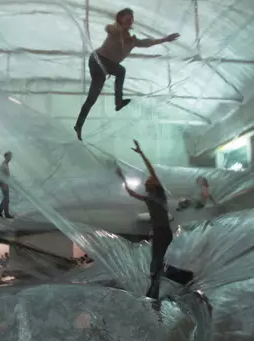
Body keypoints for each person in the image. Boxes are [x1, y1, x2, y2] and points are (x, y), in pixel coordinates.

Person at [74, 8, 180, 140]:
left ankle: (78, 125)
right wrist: (120, 31)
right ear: (120, 19)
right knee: (121, 70)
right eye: (127, 19)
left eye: (131, 19)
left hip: (105, 68)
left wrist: (165, 39)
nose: (130, 21)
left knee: (92, 98)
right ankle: (118, 101)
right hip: (98, 60)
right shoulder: (116, 30)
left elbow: (147, 43)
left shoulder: (132, 40)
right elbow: (109, 28)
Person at [116, 140, 174, 299]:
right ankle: (155, 290)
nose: (147, 181)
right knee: (156, 263)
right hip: (159, 232)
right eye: (147, 181)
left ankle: (156, 292)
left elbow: (152, 170)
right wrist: (121, 177)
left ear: (154, 184)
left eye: (149, 180)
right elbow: (130, 193)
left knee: (158, 262)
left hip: (163, 232)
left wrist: (141, 153)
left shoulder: (160, 194)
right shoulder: (149, 198)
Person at [0, 151, 14, 219]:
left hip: (4, 182)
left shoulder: (6, 164)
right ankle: (5, 213)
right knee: (6, 199)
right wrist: (3, 184)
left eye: (11, 156)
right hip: (3, 183)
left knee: (6, 199)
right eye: (9, 156)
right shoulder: (3, 165)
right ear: (6, 157)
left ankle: (0, 211)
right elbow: (1, 175)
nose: (11, 158)